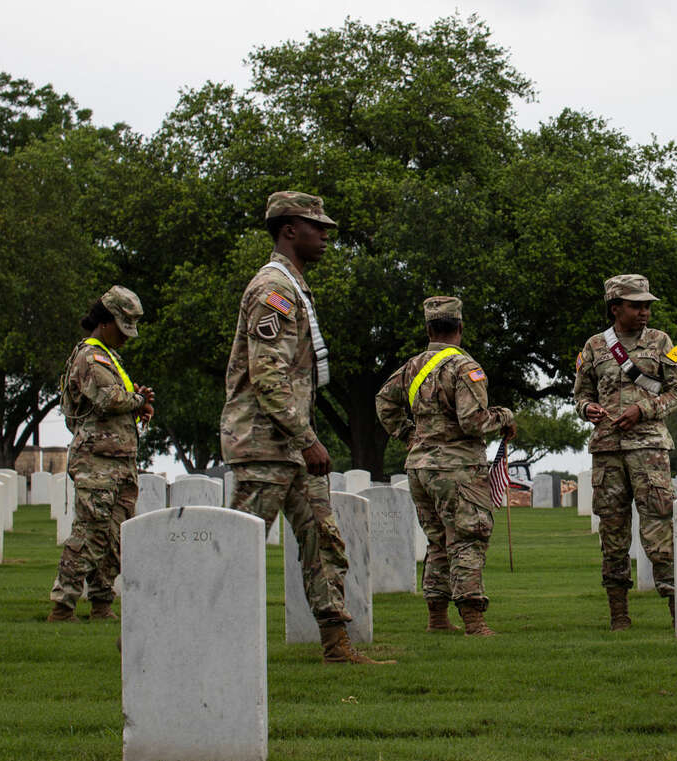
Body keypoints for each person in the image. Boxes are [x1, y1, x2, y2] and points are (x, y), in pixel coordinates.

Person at [221, 191, 385, 664]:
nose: (327, 237)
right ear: (289, 230)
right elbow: (268, 376)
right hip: (264, 444)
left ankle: (337, 645)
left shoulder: (294, 287)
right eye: (319, 228)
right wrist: (308, 438)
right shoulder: (272, 289)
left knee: (324, 539)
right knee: (237, 553)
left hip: (288, 444)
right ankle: (165, 624)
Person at [376, 296, 516, 636]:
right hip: (458, 469)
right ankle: (473, 620)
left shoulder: (412, 366)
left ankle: (437, 619)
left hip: (420, 468)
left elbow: (384, 401)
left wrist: (408, 434)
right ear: (460, 327)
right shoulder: (464, 367)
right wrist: (504, 416)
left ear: (428, 328)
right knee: (468, 539)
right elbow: (473, 422)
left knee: (438, 542)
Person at [573, 275, 677, 630]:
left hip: (649, 451)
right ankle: (619, 615)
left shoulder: (662, 342)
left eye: (647, 305)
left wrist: (645, 410)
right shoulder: (594, 347)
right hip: (608, 451)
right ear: (615, 308)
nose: (644, 311)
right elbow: (580, 394)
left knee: (659, 529)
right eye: (636, 305)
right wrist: (586, 409)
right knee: (613, 533)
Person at [47, 287, 155, 622]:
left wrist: (137, 402)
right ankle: (63, 605)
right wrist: (137, 401)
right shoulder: (90, 357)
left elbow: (116, 399)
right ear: (105, 321)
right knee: (90, 533)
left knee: (114, 539)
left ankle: (101, 602)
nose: (126, 337)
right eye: (122, 328)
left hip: (119, 464)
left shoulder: (109, 358)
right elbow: (108, 399)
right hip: (97, 465)